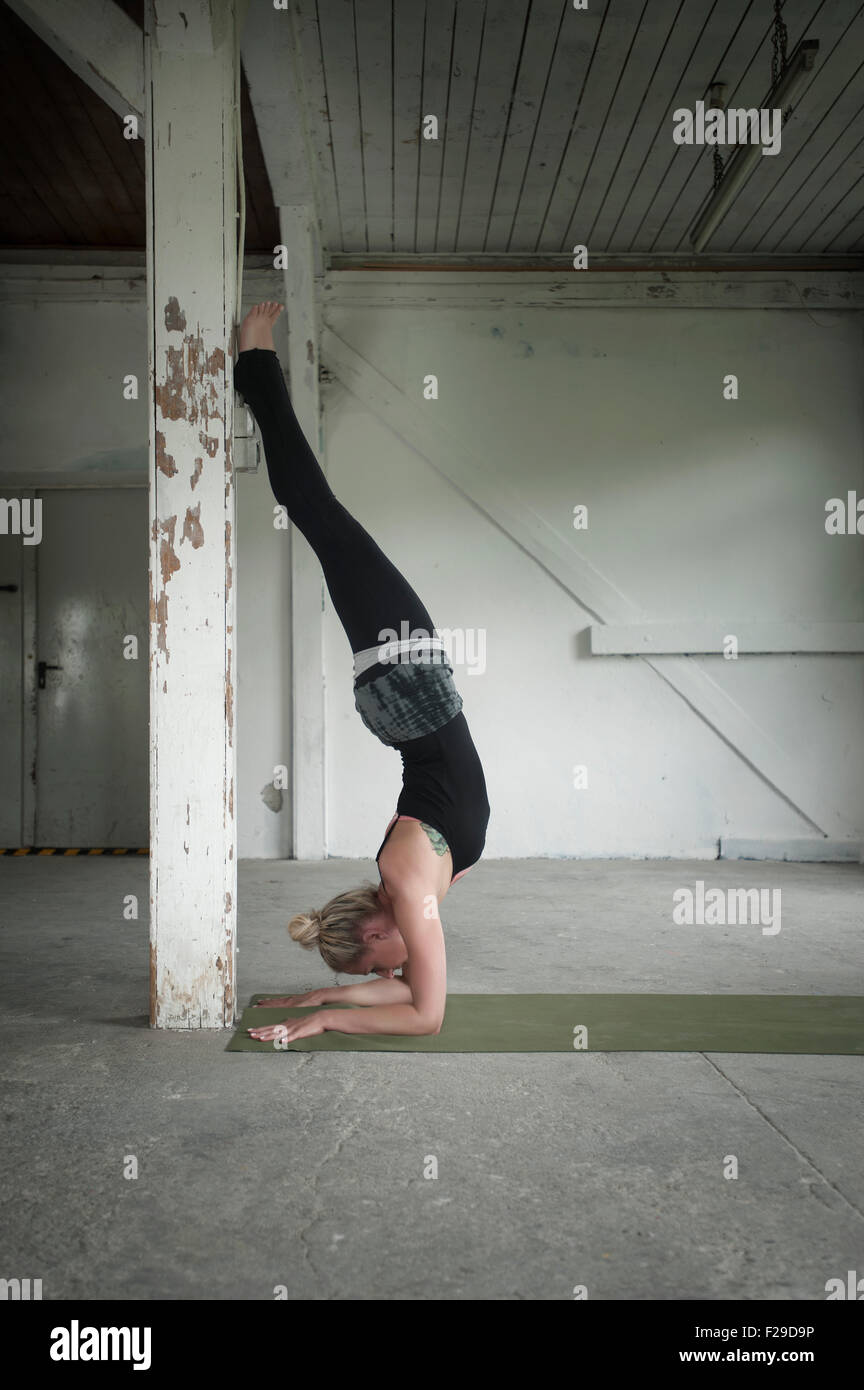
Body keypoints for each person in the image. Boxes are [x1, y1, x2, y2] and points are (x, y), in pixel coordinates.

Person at [234, 303, 490, 1044]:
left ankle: (256, 361)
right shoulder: (406, 890)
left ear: (378, 934)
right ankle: (255, 363)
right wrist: (322, 998)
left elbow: (424, 1014)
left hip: (408, 675)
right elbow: (415, 997)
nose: (386, 976)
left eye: (370, 967)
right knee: (318, 516)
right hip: (404, 688)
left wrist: (322, 1022)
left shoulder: (410, 889)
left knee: (315, 510)